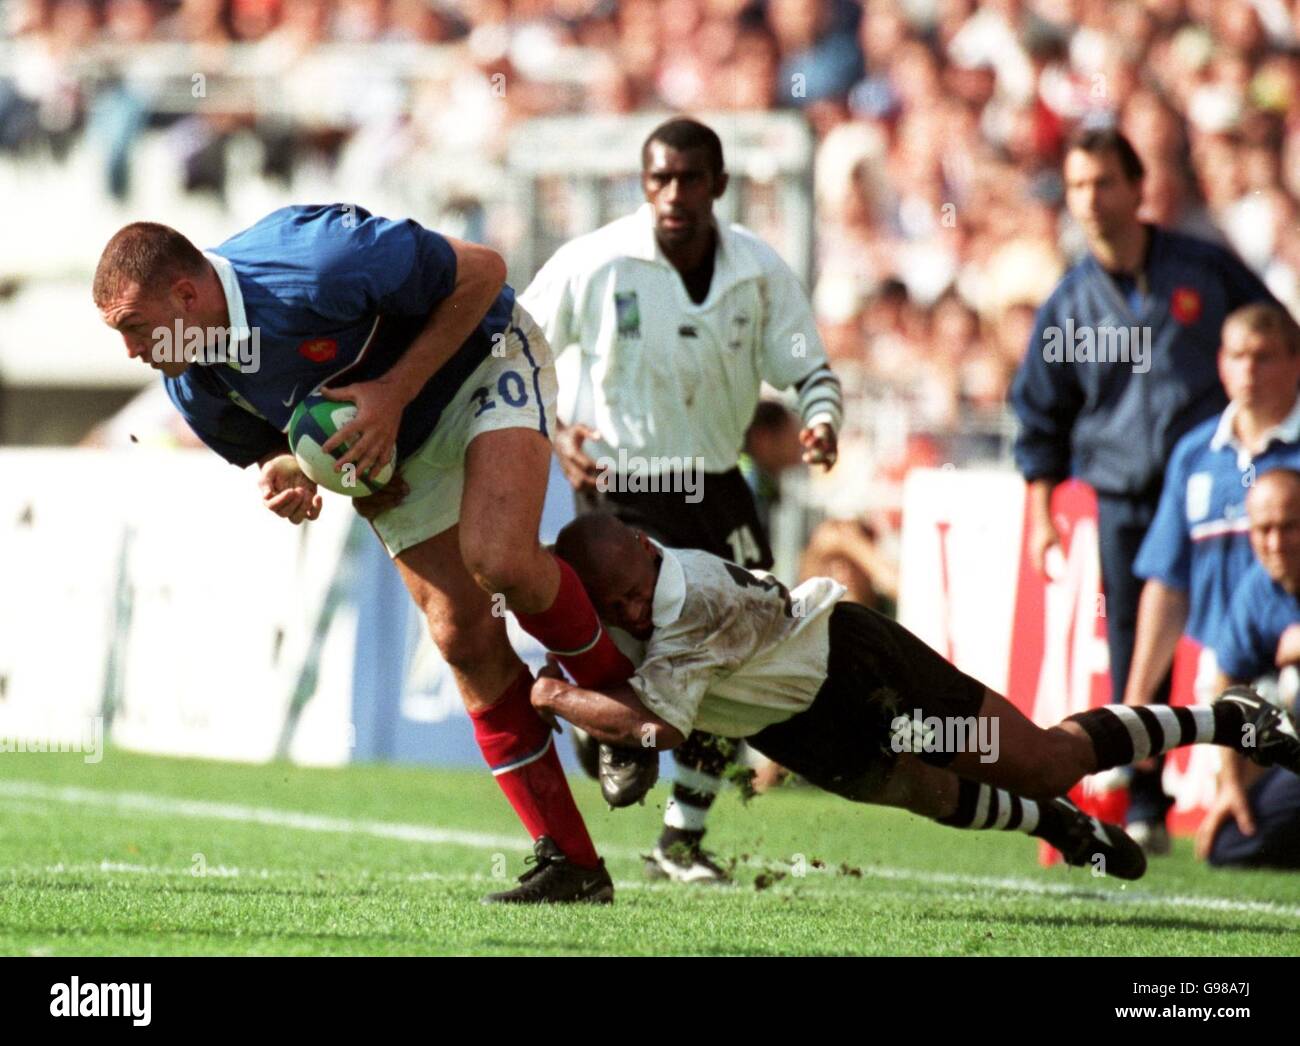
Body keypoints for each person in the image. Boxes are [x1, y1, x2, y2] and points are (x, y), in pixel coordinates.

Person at [92, 205, 639, 904]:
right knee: (459, 636)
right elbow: (283, 449)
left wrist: (393, 393)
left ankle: (619, 707)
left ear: (186, 296)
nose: (132, 351)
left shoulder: (317, 260)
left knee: (498, 560)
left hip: (483, 359)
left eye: (134, 328)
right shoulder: (193, 385)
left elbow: (483, 270)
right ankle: (573, 865)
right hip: (395, 445)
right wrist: (291, 474)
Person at [533, 515, 1300, 883]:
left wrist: (553, 697)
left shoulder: (689, 594)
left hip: (855, 667)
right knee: (929, 795)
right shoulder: (620, 592)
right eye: (614, 606)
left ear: (648, 550)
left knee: (1039, 758)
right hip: (791, 725)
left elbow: (657, 727)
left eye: (634, 595)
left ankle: (1227, 717)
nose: (630, 612)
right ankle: (1057, 825)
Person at [520, 117, 841, 883]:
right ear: (644, 183)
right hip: (622, 482)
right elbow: (517, 345)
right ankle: (609, 734)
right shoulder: (595, 261)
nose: (673, 193)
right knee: (634, 643)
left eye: (690, 178)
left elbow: (809, 369)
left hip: (716, 483)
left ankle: (681, 836)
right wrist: (554, 427)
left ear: (719, 185)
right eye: (659, 178)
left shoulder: (758, 271)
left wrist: (823, 421)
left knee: (740, 652)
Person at [1010, 126, 1280, 851]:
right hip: (1126, 495)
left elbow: (1276, 336)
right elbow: (1041, 415)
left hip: (1219, 485)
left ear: (1138, 189)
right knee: (1140, 652)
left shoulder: (1203, 270)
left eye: (1104, 183)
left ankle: (1264, 781)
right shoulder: (1069, 304)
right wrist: (1041, 515)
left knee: (1254, 624)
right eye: (1077, 186)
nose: (1091, 200)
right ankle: (1145, 800)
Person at [1125, 303, 1300, 850]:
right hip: (1224, 674)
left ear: (1295, 363)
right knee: (1232, 844)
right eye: (1238, 356)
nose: (1249, 370)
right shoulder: (1196, 456)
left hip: (1290, 664)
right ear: (1220, 364)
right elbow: (1167, 582)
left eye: (1265, 357)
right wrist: (1137, 703)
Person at [1197, 468, 1300, 869]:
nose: (1276, 543)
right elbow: (1228, 687)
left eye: (1291, 528)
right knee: (1229, 845)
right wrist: (1231, 785)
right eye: (1264, 530)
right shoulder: (1258, 588)